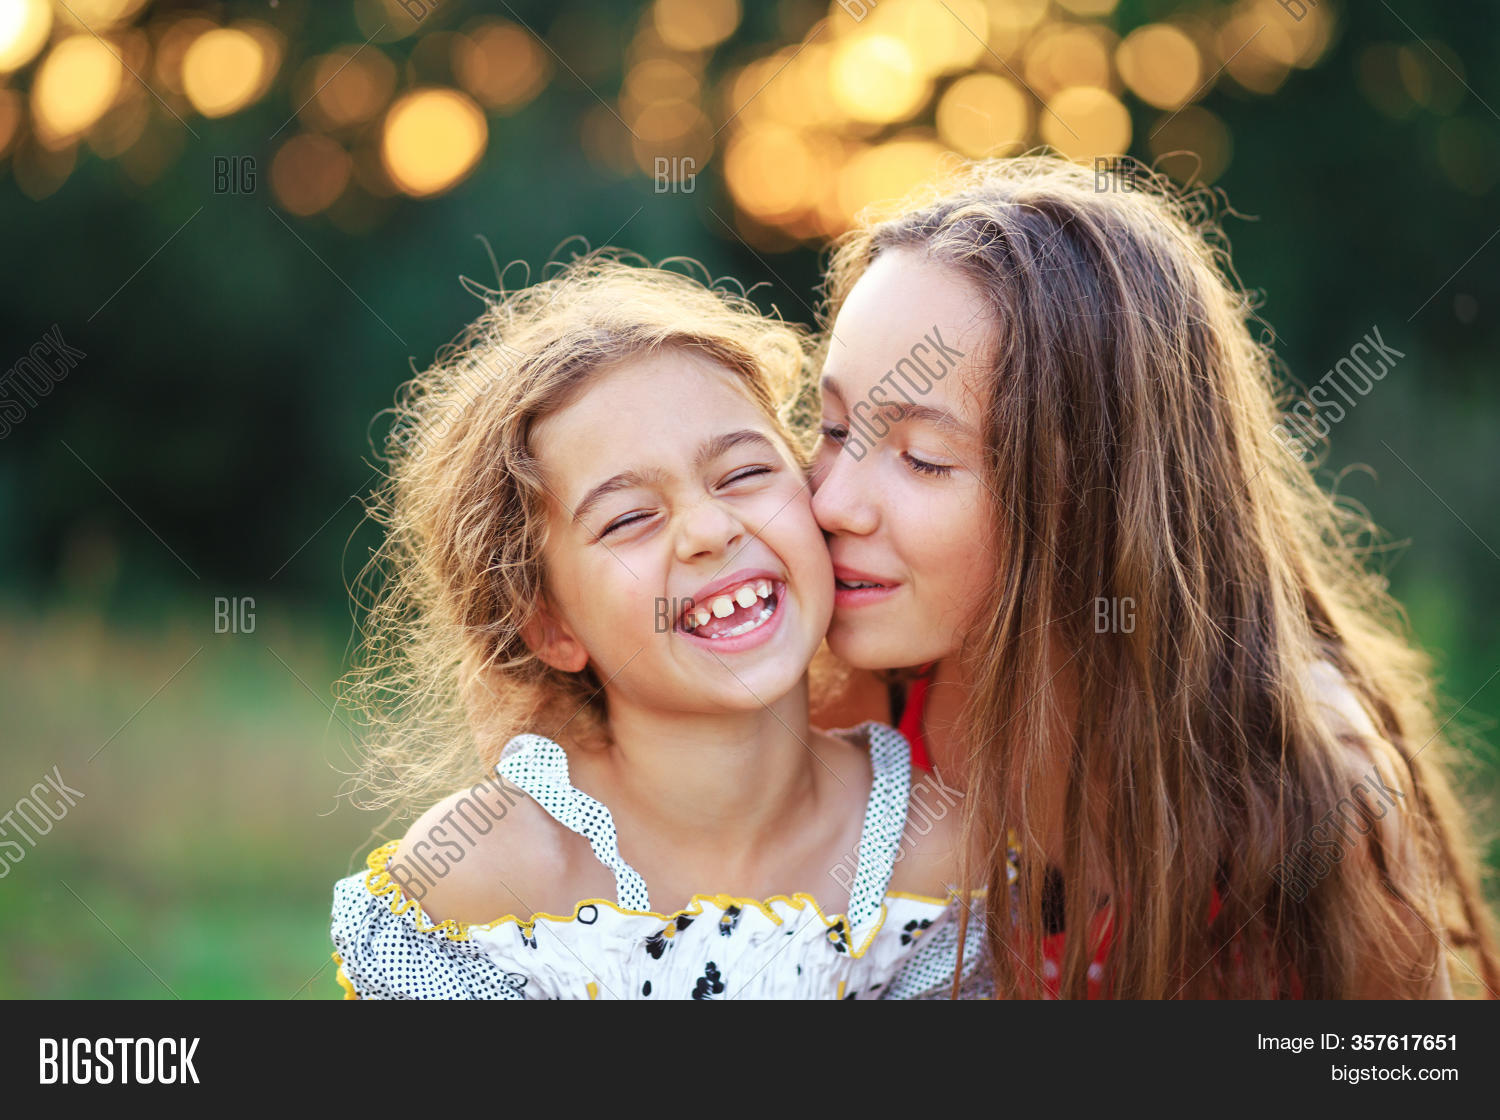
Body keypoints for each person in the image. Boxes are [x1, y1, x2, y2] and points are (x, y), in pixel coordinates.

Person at [811, 156, 1499, 999]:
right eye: (832, 426)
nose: (832, 501)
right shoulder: (840, 699)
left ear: (1090, 496)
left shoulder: (1301, 796)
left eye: (921, 459)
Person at [330, 255, 965, 999]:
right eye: (630, 518)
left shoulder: (934, 853)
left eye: (743, 475)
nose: (708, 530)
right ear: (549, 626)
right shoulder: (482, 879)